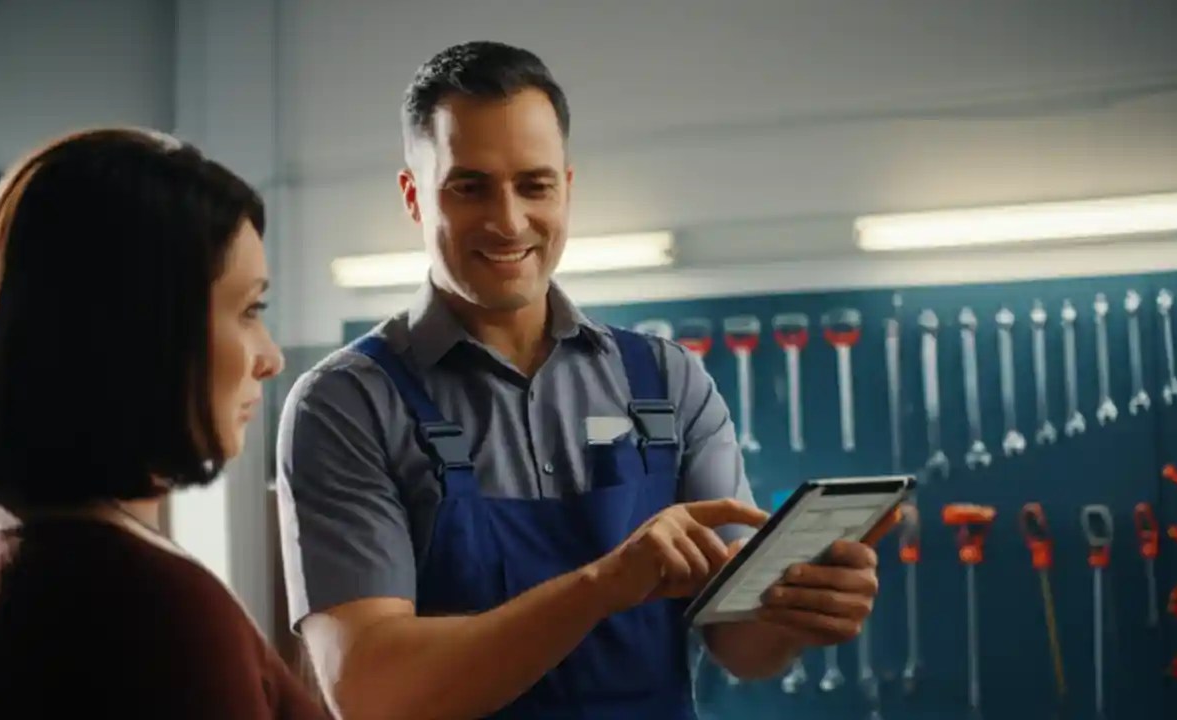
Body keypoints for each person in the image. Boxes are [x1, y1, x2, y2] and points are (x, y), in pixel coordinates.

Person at [276, 41, 880, 719]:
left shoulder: (667, 383)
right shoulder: (348, 404)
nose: (508, 221)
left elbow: (740, 646)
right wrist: (599, 587)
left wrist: (798, 611)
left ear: (567, 187)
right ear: (415, 197)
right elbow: (372, 691)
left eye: (534, 185)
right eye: (470, 186)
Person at [0, 128, 331, 719]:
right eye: (248, 311)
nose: (270, 357)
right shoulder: (149, 604)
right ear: (140, 336)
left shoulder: (1, 542)